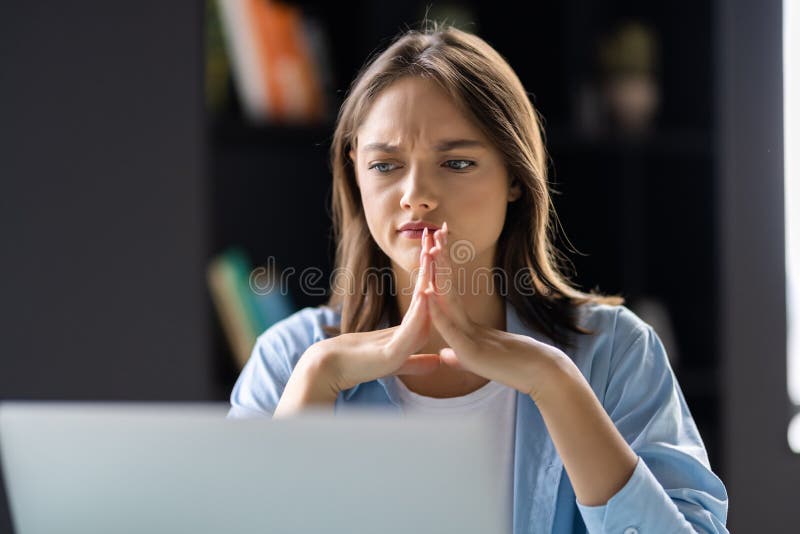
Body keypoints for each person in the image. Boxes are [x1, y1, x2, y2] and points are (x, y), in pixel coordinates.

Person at [227, 21, 729, 534]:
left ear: (514, 175)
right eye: (386, 166)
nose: (416, 194)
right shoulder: (289, 360)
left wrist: (553, 381)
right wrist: (318, 376)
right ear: (355, 172)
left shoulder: (618, 351)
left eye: (458, 161)